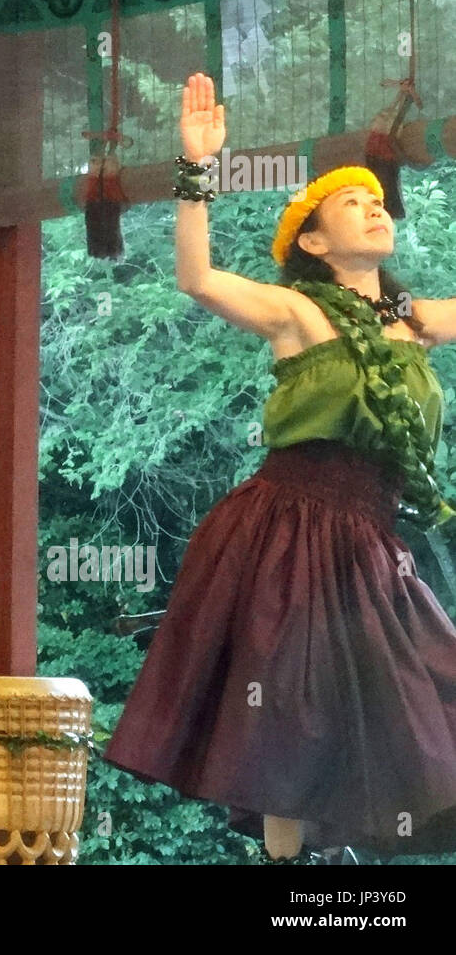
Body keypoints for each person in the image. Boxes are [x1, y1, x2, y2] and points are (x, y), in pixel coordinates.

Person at [104, 72, 456, 864]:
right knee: (288, 714)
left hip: (373, 539)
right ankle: (291, 880)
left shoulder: (416, 323)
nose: (374, 207)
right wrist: (196, 167)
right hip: (288, 527)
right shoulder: (297, 313)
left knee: (420, 689)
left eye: (377, 200)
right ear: (314, 243)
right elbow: (196, 279)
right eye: (350, 204)